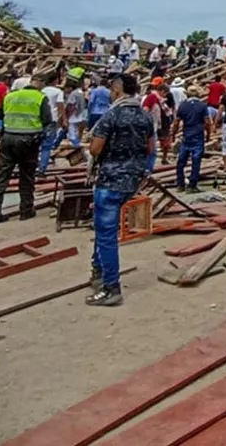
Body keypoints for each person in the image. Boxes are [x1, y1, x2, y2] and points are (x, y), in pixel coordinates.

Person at [86, 74, 153, 307]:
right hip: (132, 179)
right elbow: (150, 147)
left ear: (116, 90)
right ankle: (98, 269)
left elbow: (95, 149)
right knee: (106, 229)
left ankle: (111, 287)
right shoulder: (145, 117)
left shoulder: (111, 116)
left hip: (110, 180)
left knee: (106, 235)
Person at [0, 75, 51, 224]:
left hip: (8, 139)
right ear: (39, 83)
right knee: (27, 176)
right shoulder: (40, 97)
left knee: (1, 176)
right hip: (29, 140)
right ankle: (26, 210)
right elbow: (47, 120)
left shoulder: (11, 96)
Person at [172, 85, 210, 192]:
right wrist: (208, 134)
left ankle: (180, 184)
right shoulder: (202, 106)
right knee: (196, 161)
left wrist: (173, 135)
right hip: (198, 135)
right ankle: (192, 185)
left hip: (186, 135)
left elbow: (176, 122)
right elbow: (207, 122)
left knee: (181, 162)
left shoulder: (183, 106)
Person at [37, 72, 66, 176]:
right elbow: (60, 106)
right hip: (51, 120)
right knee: (46, 146)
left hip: (39, 120)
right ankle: (42, 169)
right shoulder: (58, 91)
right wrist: (64, 119)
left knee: (37, 144)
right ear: (56, 81)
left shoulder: (41, 91)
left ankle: (34, 165)